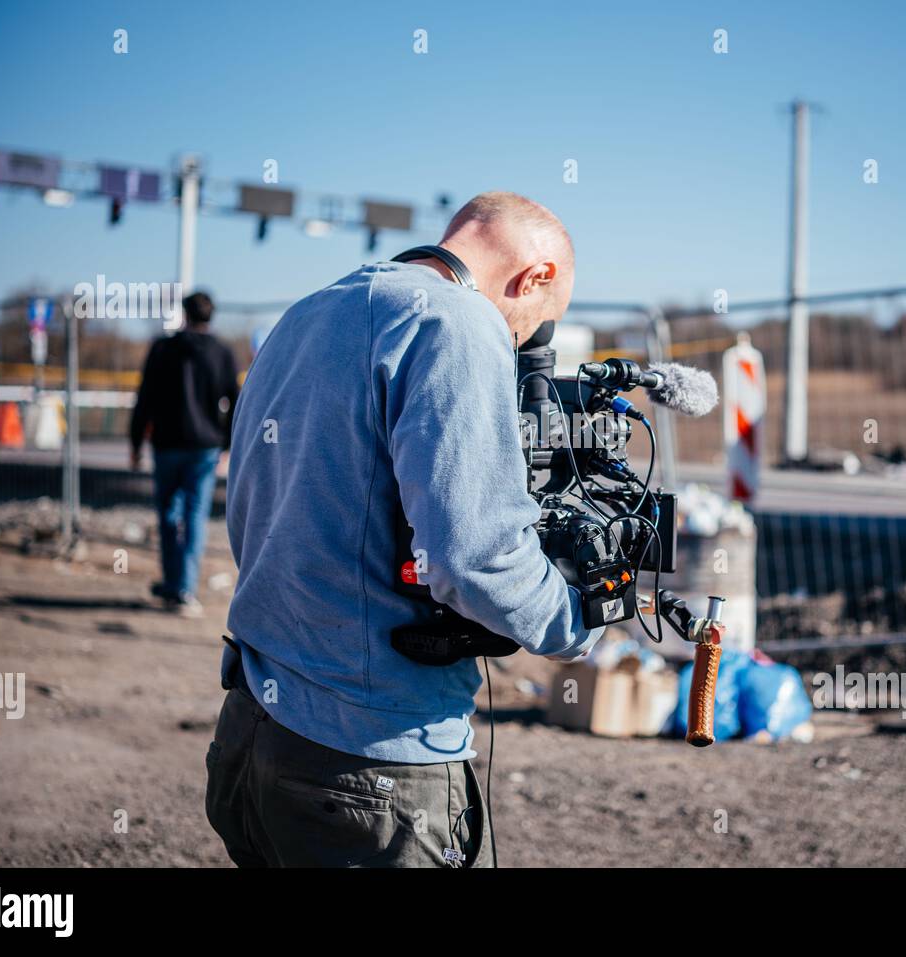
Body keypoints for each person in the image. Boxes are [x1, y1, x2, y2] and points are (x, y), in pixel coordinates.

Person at [205, 191, 603, 868]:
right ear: (534, 277)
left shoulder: (306, 314)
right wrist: (573, 621)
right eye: (536, 326)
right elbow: (474, 558)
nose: (523, 344)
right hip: (367, 765)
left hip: (251, 732)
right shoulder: (458, 322)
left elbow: (258, 500)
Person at [130, 291, 239, 618]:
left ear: (185, 314)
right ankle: (184, 589)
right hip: (204, 447)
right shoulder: (222, 353)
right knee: (194, 516)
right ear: (211, 316)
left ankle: (173, 581)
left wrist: (135, 443)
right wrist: (228, 443)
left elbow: (145, 397)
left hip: (166, 444)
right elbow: (236, 400)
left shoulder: (163, 348)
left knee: (167, 514)